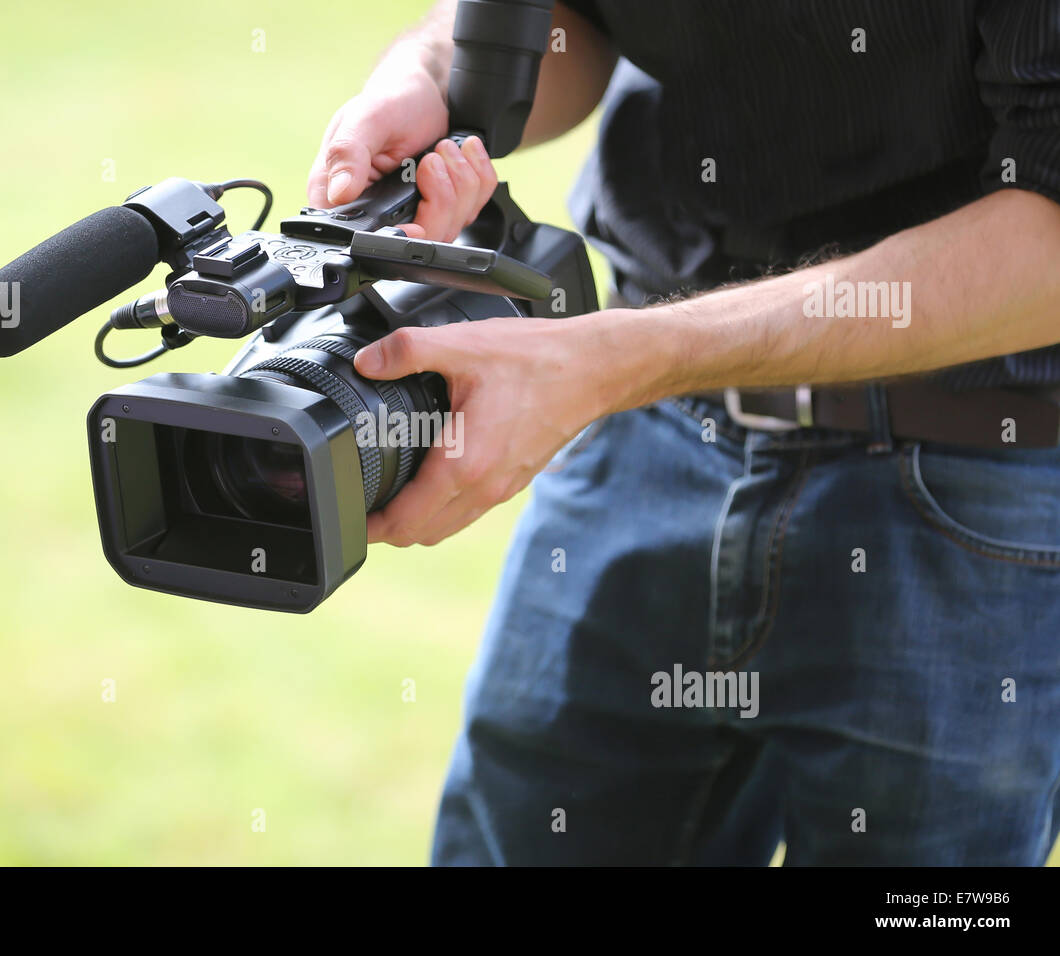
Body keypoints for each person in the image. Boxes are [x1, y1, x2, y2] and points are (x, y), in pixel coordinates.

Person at [309, 0, 1060, 865]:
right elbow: (569, 17)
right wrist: (434, 75)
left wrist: (628, 357)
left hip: (973, 476)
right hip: (646, 427)